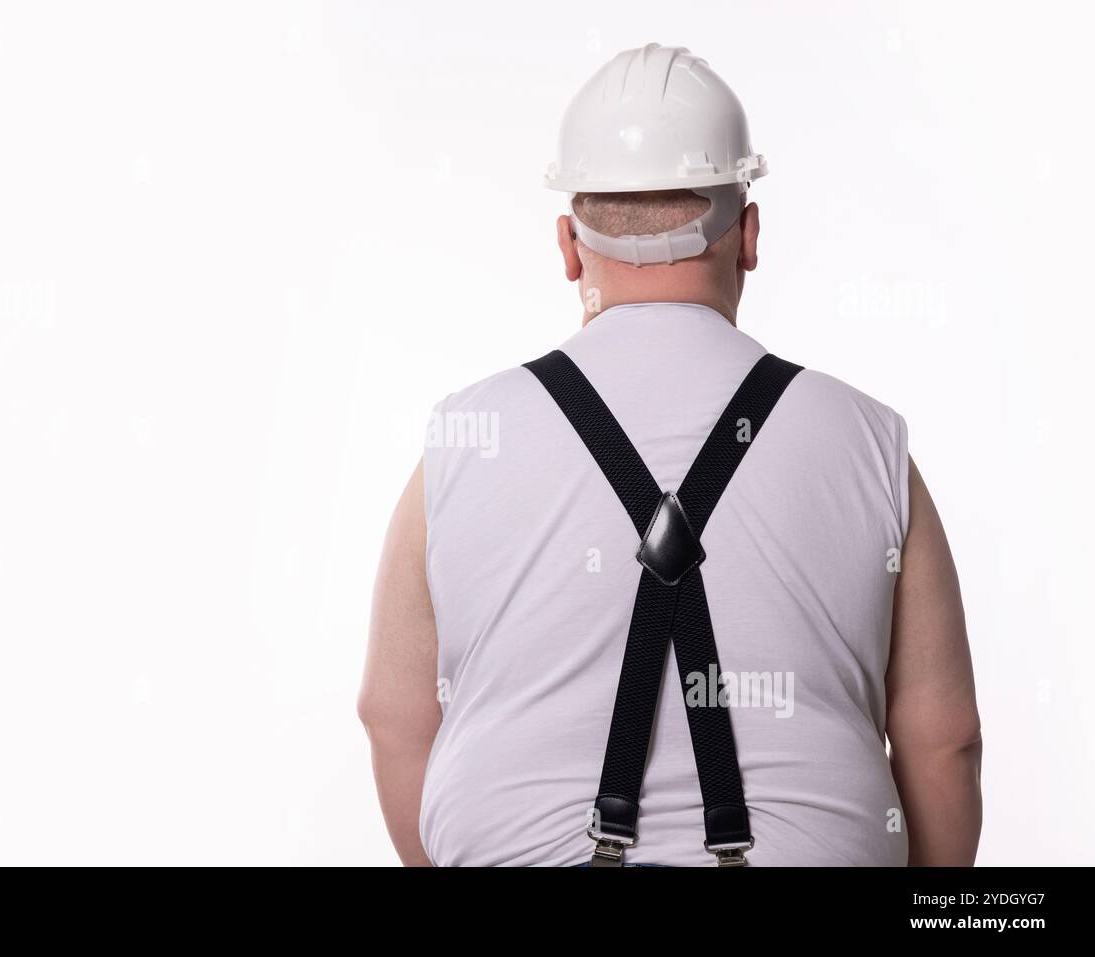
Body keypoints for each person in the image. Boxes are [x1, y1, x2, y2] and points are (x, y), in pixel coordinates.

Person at [358, 44, 981, 867]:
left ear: (569, 249)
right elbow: (946, 744)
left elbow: (392, 716)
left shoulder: (462, 443)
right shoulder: (869, 441)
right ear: (748, 234)